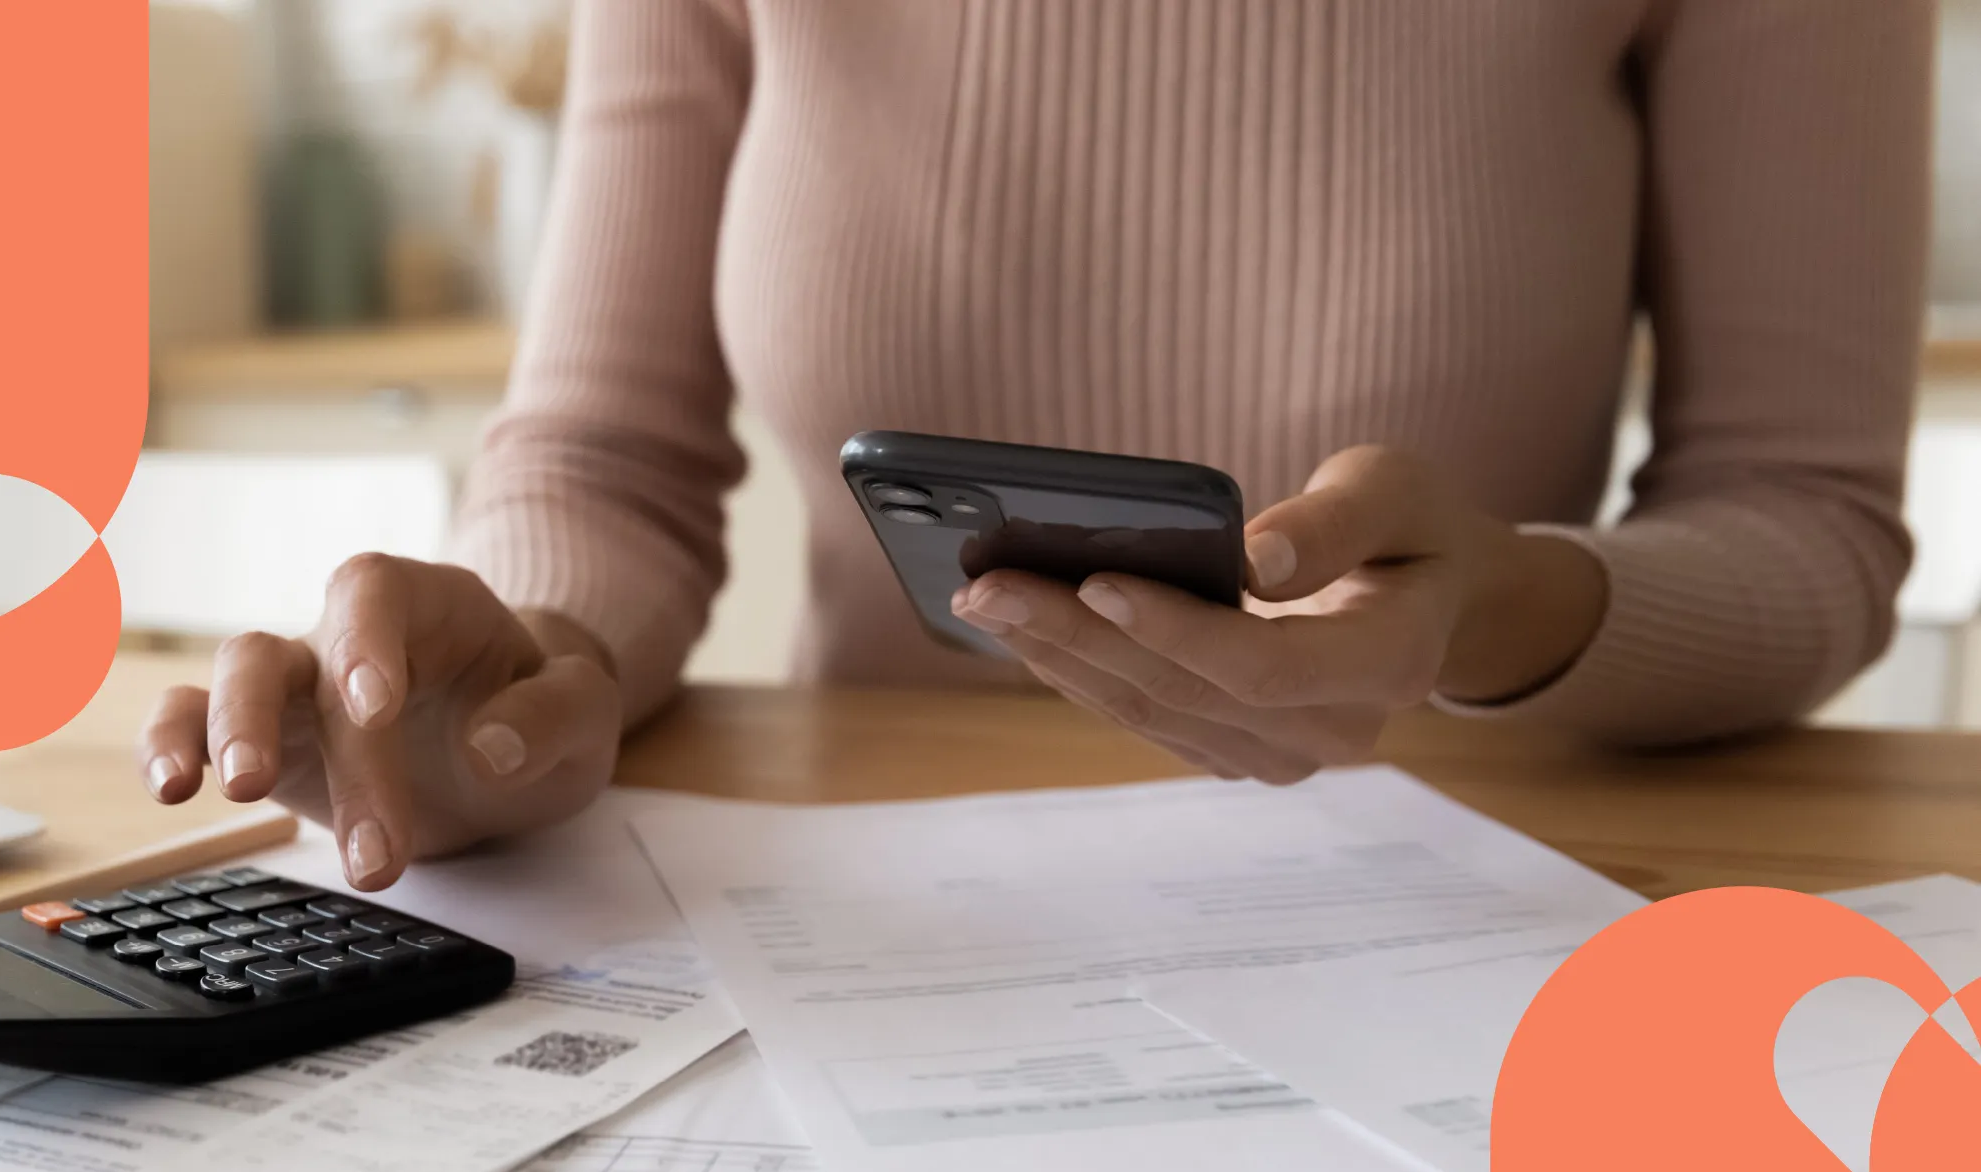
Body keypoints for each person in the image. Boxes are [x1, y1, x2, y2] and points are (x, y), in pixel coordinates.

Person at [139, 0, 1934, 890]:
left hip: (1487, 916)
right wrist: (523, 678)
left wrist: (1499, 611)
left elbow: (1807, 518)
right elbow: (603, 457)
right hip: (846, 929)